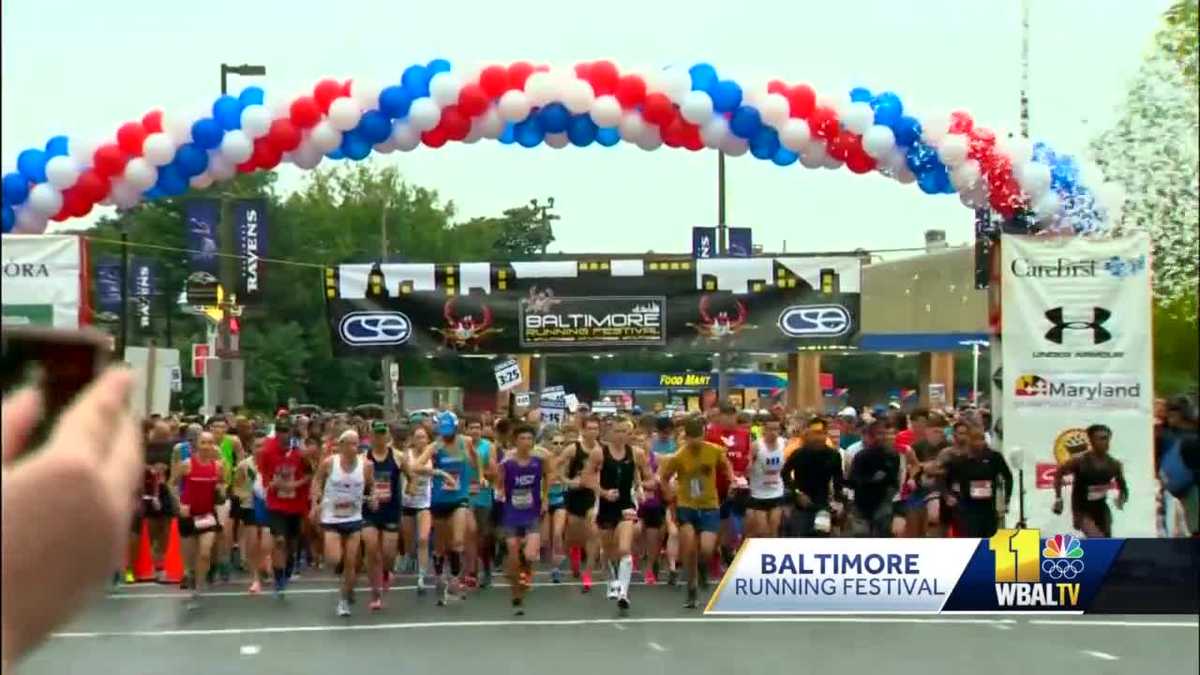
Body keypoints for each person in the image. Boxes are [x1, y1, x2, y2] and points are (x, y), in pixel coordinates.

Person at [659, 417, 735, 609]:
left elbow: (726, 465)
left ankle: (703, 568)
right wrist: (669, 497)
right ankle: (691, 589)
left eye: (698, 437)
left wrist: (732, 479)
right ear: (686, 437)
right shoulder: (678, 456)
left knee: (707, 549)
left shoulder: (714, 450)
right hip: (686, 506)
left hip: (709, 505)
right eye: (691, 438)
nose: (695, 441)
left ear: (703, 435)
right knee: (689, 549)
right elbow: (664, 478)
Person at [582, 417, 657, 612]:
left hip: (626, 506)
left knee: (624, 549)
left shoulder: (637, 453)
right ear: (609, 433)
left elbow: (651, 479)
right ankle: (612, 582)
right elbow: (586, 478)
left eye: (624, 431)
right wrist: (603, 492)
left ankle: (623, 593)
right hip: (606, 507)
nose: (621, 435)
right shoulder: (600, 453)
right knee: (608, 551)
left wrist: (641, 486)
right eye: (617, 431)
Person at [417, 411, 481, 606]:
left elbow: (475, 458)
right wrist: (438, 471)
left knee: (458, 540)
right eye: (443, 430)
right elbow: (415, 466)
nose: (447, 434)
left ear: (456, 427)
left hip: (459, 498)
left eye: (449, 430)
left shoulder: (466, 442)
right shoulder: (435, 446)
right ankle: (439, 574)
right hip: (439, 500)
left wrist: (479, 477)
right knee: (440, 546)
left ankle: (454, 582)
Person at [312, 429, 376, 616]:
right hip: (331, 517)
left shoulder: (366, 465)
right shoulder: (330, 463)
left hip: (354, 518)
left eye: (356, 444)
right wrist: (315, 502)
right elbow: (317, 481)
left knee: (350, 562)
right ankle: (347, 583)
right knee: (334, 559)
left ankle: (344, 599)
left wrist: (373, 498)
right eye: (350, 443)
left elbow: (372, 486)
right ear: (341, 445)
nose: (354, 447)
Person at [496, 424, 554, 616]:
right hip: (511, 513)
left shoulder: (539, 460)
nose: (526, 442)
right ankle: (516, 593)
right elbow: (497, 483)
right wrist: (500, 492)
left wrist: (545, 498)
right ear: (516, 441)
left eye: (530, 439)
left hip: (532, 512)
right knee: (513, 553)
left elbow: (549, 476)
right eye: (522, 439)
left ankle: (525, 571)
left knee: (529, 555)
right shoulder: (508, 463)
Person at [170, 431, 225, 608]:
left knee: (205, 553)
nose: (207, 446)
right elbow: (171, 484)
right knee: (191, 558)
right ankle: (192, 575)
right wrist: (180, 504)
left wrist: (220, 491)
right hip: (189, 515)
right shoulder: (187, 464)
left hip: (207, 514)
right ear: (197, 445)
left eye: (210, 443)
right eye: (203, 443)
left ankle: (199, 588)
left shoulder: (217, 466)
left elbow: (222, 484)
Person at [259, 415, 313, 596]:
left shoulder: (300, 452)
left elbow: (309, 475)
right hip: (276, 503)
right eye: (280, 431)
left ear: (292, 432)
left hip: (296, 504)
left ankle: (289, 566)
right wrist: (271, 484)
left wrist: (295, 485)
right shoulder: (268, 451)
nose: (283, 435)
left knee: (291, 542)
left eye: (286, 431)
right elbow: (264, 474)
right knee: (279, 540)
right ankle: (279, 578)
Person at [1053, 424, 1129, 537]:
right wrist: (1059, 499)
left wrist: (1121, 499)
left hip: (1101, 509)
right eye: (1101, 438)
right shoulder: (1079, 462)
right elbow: (1059, 473)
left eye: (1107, 438)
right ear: (1092, 441)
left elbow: (1123, 487)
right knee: (1097, 539)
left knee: (1106, 544)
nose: (1106, 442)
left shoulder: (1114, 464)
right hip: (1082, 510)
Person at [705, 402, 751, 574]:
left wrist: (742, 476)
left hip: (738, 485)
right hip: (716, 484)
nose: (730, 420)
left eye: (733, 416)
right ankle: (714, 557)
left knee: (736, 521)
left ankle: (728, 551)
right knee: (717, 522)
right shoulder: (711, 434)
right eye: (726, 416)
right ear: (720, 416)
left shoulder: (744, 434)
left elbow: (747, 457)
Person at [944, 424, 1013, 538]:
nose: (978, 443)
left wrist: (1006, 499)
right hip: (968, 509)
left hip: (989, 509)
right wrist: (949, 496)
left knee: (989, 542)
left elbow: (1008, 477)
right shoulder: (961, 459)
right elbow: (946, 479)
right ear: (969, 441)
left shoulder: (994, 457)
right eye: (975, 440)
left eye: (981, 439)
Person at [363, 421, 403, 610]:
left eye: (382, 434)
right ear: (370, 436)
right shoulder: (363, 458)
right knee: (371, 550)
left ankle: (386, 572)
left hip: (391, 511)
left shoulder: (397, 456)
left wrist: (411, 485)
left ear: (387, 435)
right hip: (369, 511)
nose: (379, 437)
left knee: (387, 554)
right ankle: (375, 593)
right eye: (376, 434)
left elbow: (411, 473)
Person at [781, 418, 845, 537]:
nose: (818, 437)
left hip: (823, 505)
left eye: (821, 433)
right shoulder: (798, 454)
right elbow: (784, 475)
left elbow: (838, 480)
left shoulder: (833, 455)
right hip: (801, 505)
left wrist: (838, 502)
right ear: (808, 435)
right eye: (814, 433)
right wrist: (797, 493)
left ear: (826, 434)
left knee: (821, 539)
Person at [563, 415, 602, 592]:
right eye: (590, 428)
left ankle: (588, 573)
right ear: (583, 430)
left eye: (596, 428)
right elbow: (558, 470)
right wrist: (569, 481)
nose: (593, 432)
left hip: (593, 496)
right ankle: (576, 552)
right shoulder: (573, 449)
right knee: (575, 534)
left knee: (593, 532)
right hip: (575, 495)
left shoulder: (603, 450)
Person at [846, 421, 902, 537]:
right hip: (862, 502)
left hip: (883, 501)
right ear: (869, 436)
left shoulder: (892, 455)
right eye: (878, 434)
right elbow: (852, 481)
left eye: (883, 434)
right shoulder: (861, 456)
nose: (881, 437)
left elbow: (894, 480)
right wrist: (871, 480)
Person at [639, 416, 676, 585]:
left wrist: (646, 483)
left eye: (643, 442)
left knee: (655, 537)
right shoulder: (630, 459)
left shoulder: (659, 458)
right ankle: (632, 561)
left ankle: (651, 567)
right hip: (635, 503)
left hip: (656, 502)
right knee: (636, 534)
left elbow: (657, 481)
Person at [208, 416, 244, 582]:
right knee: (209, 528)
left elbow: (242, 461)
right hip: (207, 488)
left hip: (227, 488)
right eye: (216, 427)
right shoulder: (206, 441)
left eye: (223, 427)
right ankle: (211, 563)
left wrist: (237, 483)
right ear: (210, 428)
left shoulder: (233, 441)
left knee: (225, 529)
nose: (219, 430)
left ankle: (225, 562)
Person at [233, 433, 270, 593]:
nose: (261, 449)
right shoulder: (244, 465)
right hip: (250, 507)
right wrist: (246, 496)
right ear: (251, 448)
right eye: (257, 446)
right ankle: (255, 578)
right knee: (253, 543)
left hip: (270, 507)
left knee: (266, 543)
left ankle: (265, 565)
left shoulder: (273, 463)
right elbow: (237, 486)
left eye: (264, 446)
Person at [401, 426, 434, 594]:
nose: (421, 440)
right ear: (413, 440)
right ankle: (409, 556)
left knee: (422, 539)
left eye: (423, 437)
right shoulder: (406, 455)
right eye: (418, 437)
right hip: (407, 503)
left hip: (424, 504)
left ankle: (421, 577)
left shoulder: (432, 455)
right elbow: (410, 470)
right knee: (410, 544)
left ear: (428, 439)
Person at [463, 416, 495, 588]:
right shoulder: (460, 447)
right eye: (472, 427)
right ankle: (471, 571)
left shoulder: (488, 446)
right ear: (466, 430)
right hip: (465, 495)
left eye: (478, 427)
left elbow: (494, 471)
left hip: (483, 495)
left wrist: (481, 471)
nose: (475, 431)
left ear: (482, 430)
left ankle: (487, 568)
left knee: (484, 537)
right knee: (470, 533)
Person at [744, 413, 788, 538]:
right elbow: (747, 466)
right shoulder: (757, 446)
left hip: (776, 492)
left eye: (776, 429)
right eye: (770, 429)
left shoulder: (783, 443)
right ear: (764, 429)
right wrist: (748, 467)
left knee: (773, 533)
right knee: (763, 532)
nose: (773, 432)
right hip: (758, 495)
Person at [543, 430, 569, 583]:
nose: (558, 446)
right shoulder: (545, 461)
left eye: (561, 443)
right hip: (546, 500)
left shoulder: (567, 461)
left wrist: (566, 479)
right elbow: (545, 480)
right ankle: (553, 559)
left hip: (560, 500)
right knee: (545, 539)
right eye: (555, 443)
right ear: (549, 444)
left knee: (557, 534)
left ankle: (556, 568)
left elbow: (570, 478)